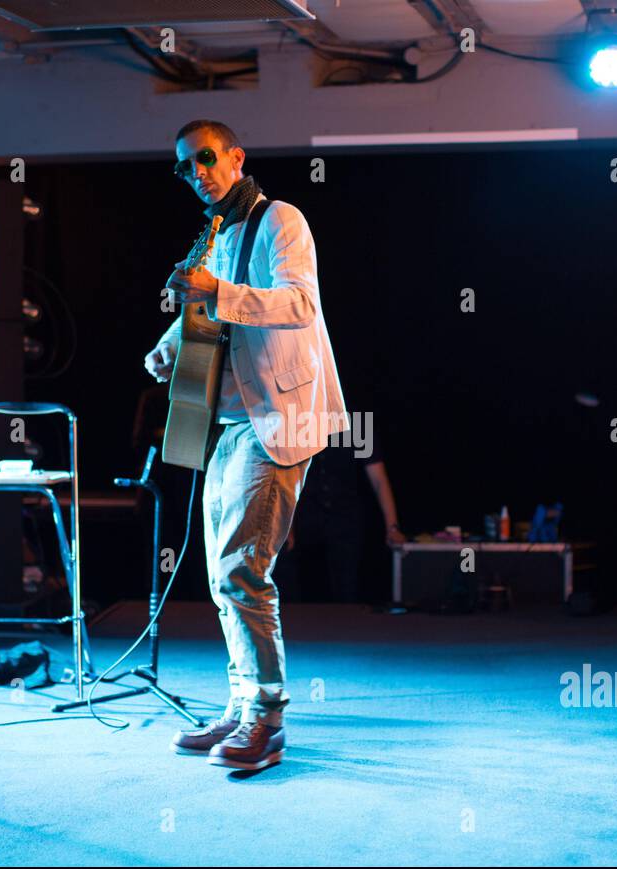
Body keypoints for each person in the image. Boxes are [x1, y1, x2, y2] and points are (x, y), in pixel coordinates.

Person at [145, 119, 346, 770]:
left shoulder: (280, 220)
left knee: (241, 570)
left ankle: (267, 719)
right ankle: (240, 705)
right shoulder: (213, 236)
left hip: (277, 418)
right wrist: (166, 348)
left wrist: (215, 289)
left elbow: (296, 305)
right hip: (226, 424)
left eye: (204, 158)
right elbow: (201, 316)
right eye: (184, 166)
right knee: (218, 574)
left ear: (235, 157)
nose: (195, 172)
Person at [275, 425, 407, 603]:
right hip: (304, 517)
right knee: (299, 584)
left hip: (345, 517)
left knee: (346, 588)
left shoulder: (357, 425)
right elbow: (287, 478)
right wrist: (287, 526)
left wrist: (392, 527)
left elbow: (378, 480)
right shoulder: (299, 422)